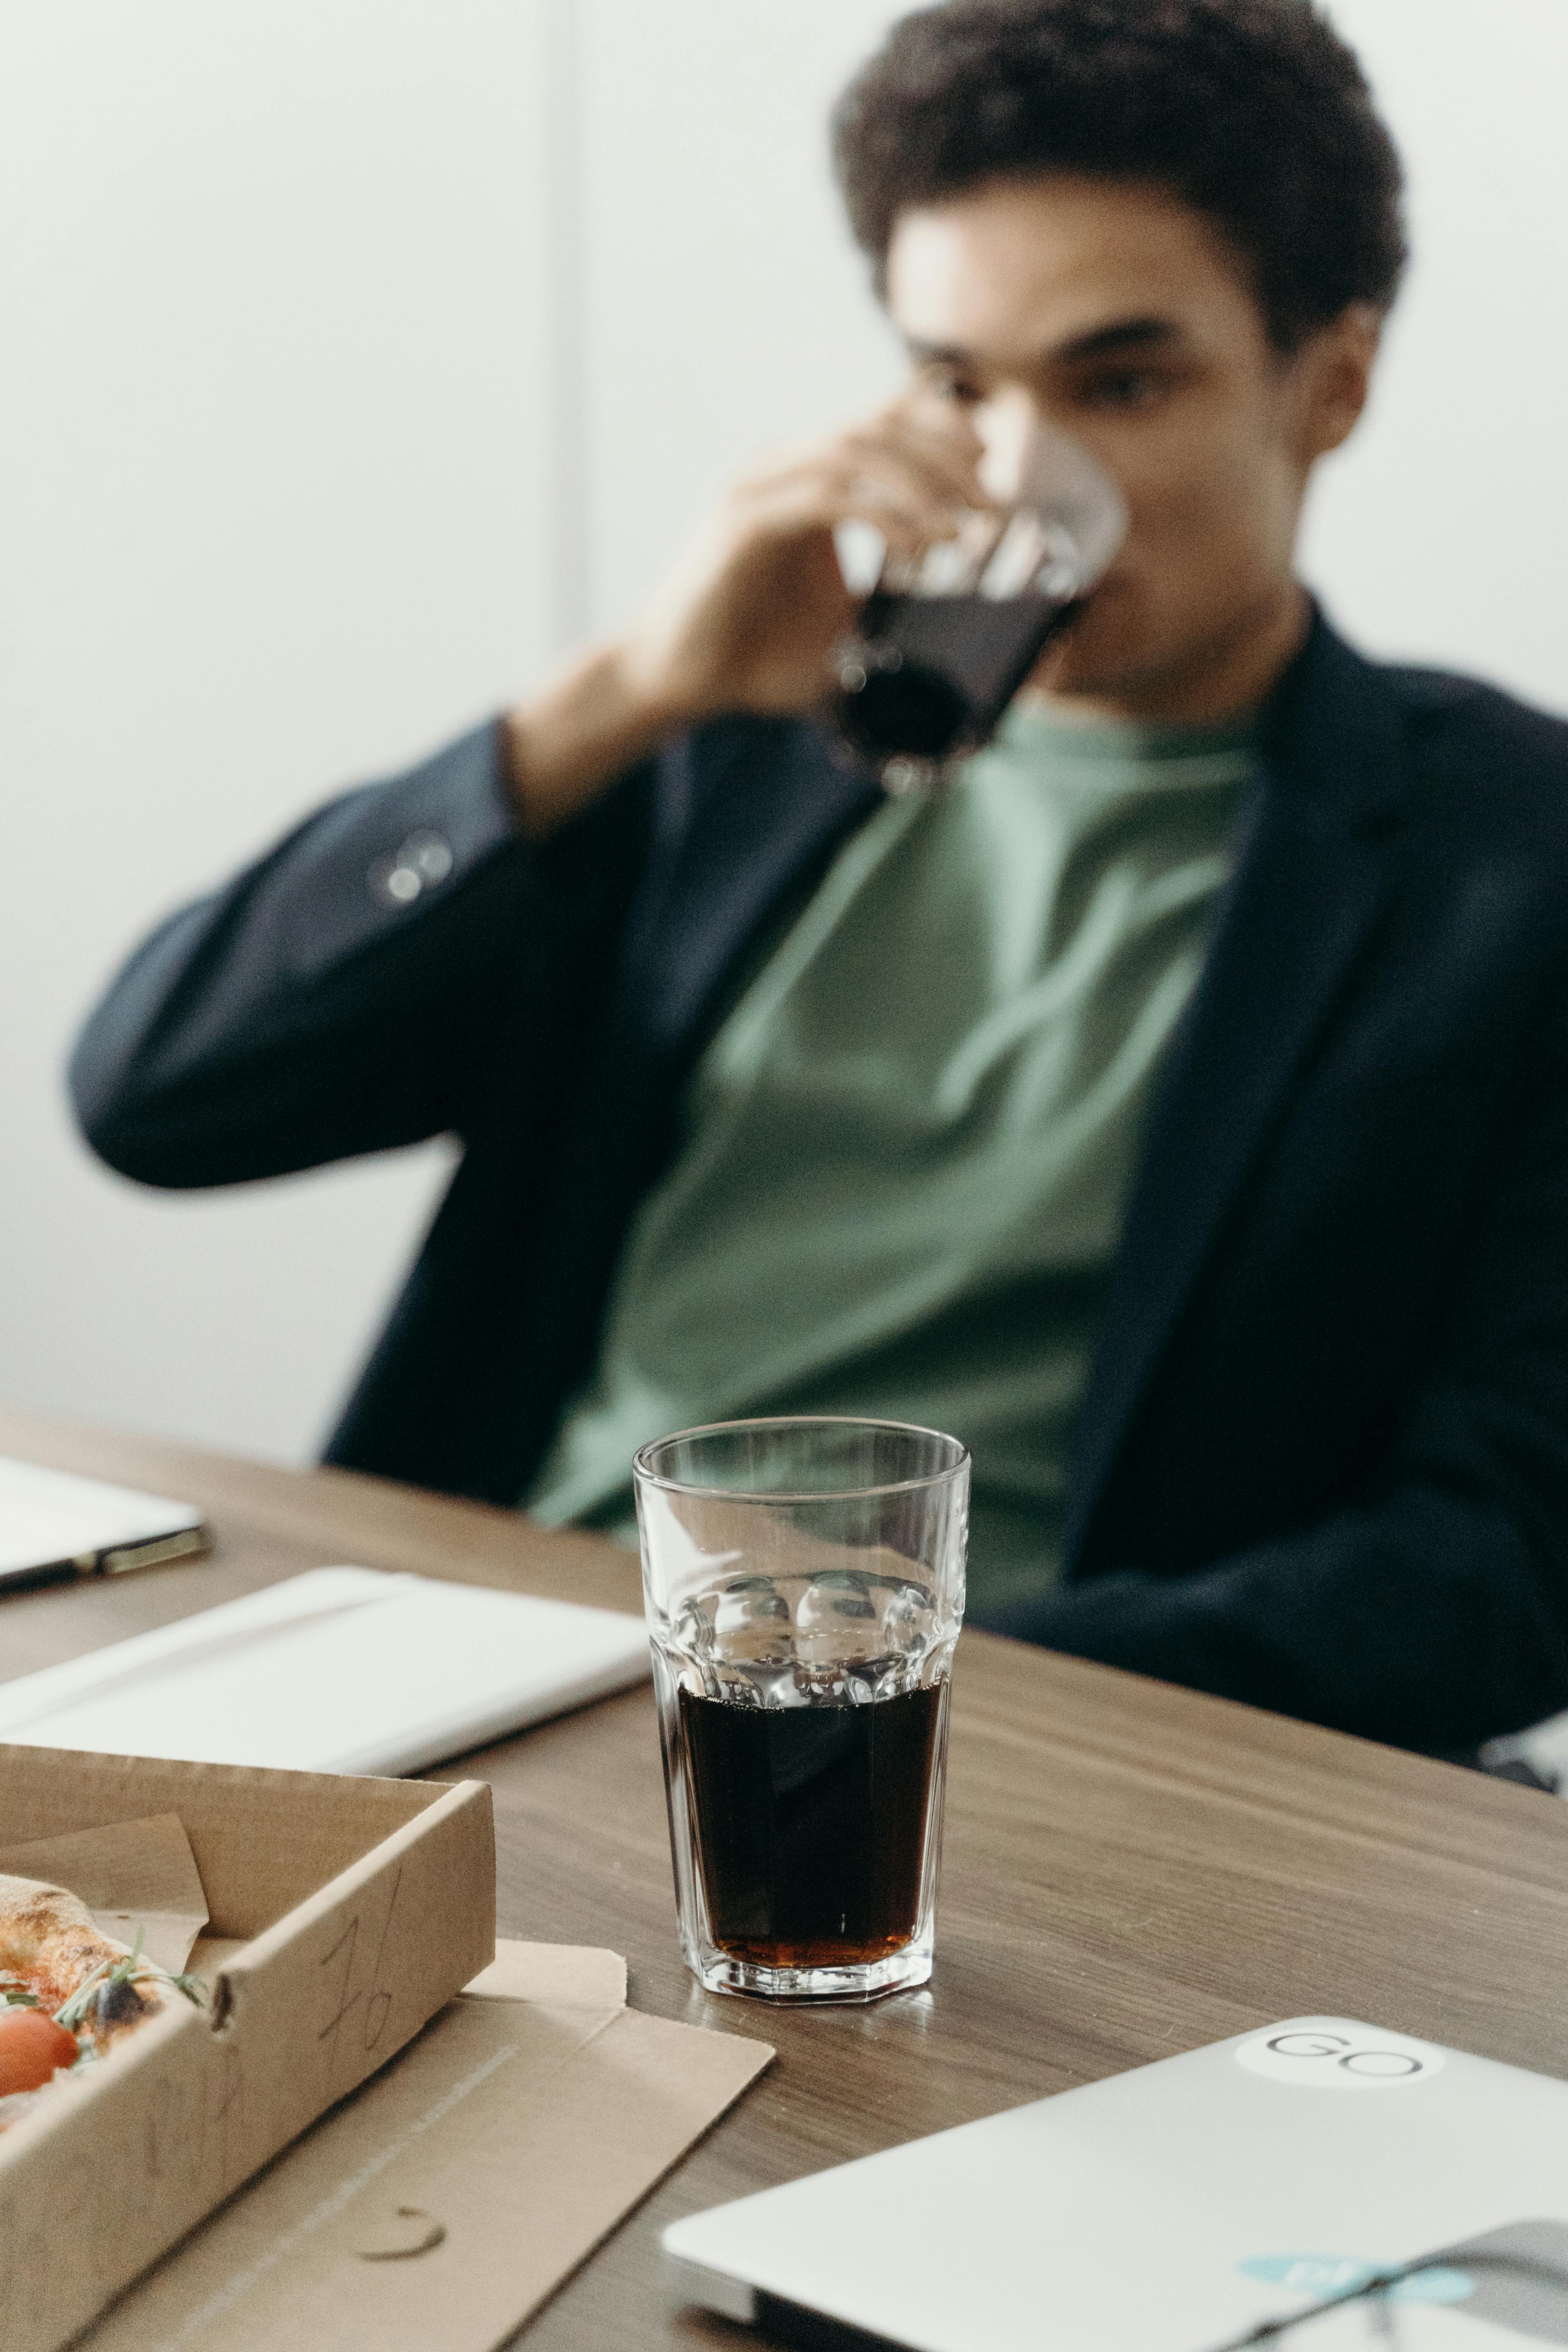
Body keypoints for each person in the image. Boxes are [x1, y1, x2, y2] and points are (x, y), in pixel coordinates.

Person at [70, 0, 1568, 1757]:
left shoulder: (1503, 859)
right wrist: (622, 693)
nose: (1018, 474)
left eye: (1120, 383)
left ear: (1331, 378)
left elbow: (1507, 1555)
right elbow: (157, 1097)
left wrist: (907, 1696)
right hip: (495, 1685)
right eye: (955, 383)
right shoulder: (733, 744)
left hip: (1014, 1765)